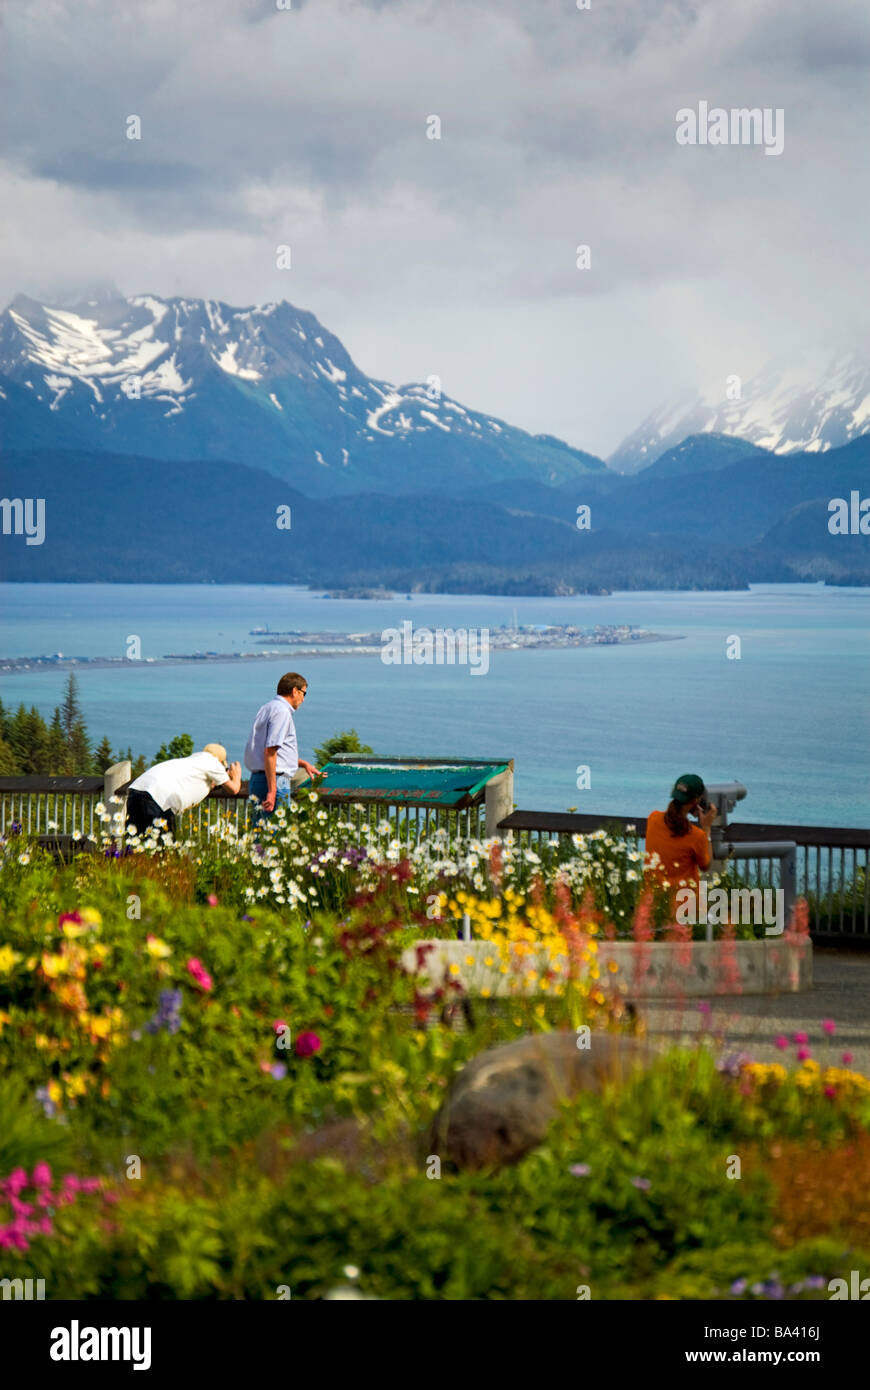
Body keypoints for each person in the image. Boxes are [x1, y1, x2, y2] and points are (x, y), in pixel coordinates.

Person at [244, 673, 324, 818]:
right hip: (274, 780)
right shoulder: (282, 712)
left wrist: (301, 763)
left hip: (258, 779)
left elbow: (265, 749)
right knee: (275, 835)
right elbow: (270, 751)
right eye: (304, 693)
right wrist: (272, 790)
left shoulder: (267, 708)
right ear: (295, 691)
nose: (303, 700)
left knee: (260, 833)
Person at [126, 743, 242, 837]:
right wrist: (236, 775)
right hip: (159, 799)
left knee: (135, 842)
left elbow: (207, 783)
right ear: (221, 762)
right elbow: (234, 789)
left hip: (137, 788)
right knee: (163, 849)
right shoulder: (213, 762)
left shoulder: (193, 760)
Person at [644, 773, 717, 892]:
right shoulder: (696, 836)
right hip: (685, 905)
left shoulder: (653, 818)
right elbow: (705, 865)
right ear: (696, 800)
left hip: (652, 899)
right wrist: (706, 828)